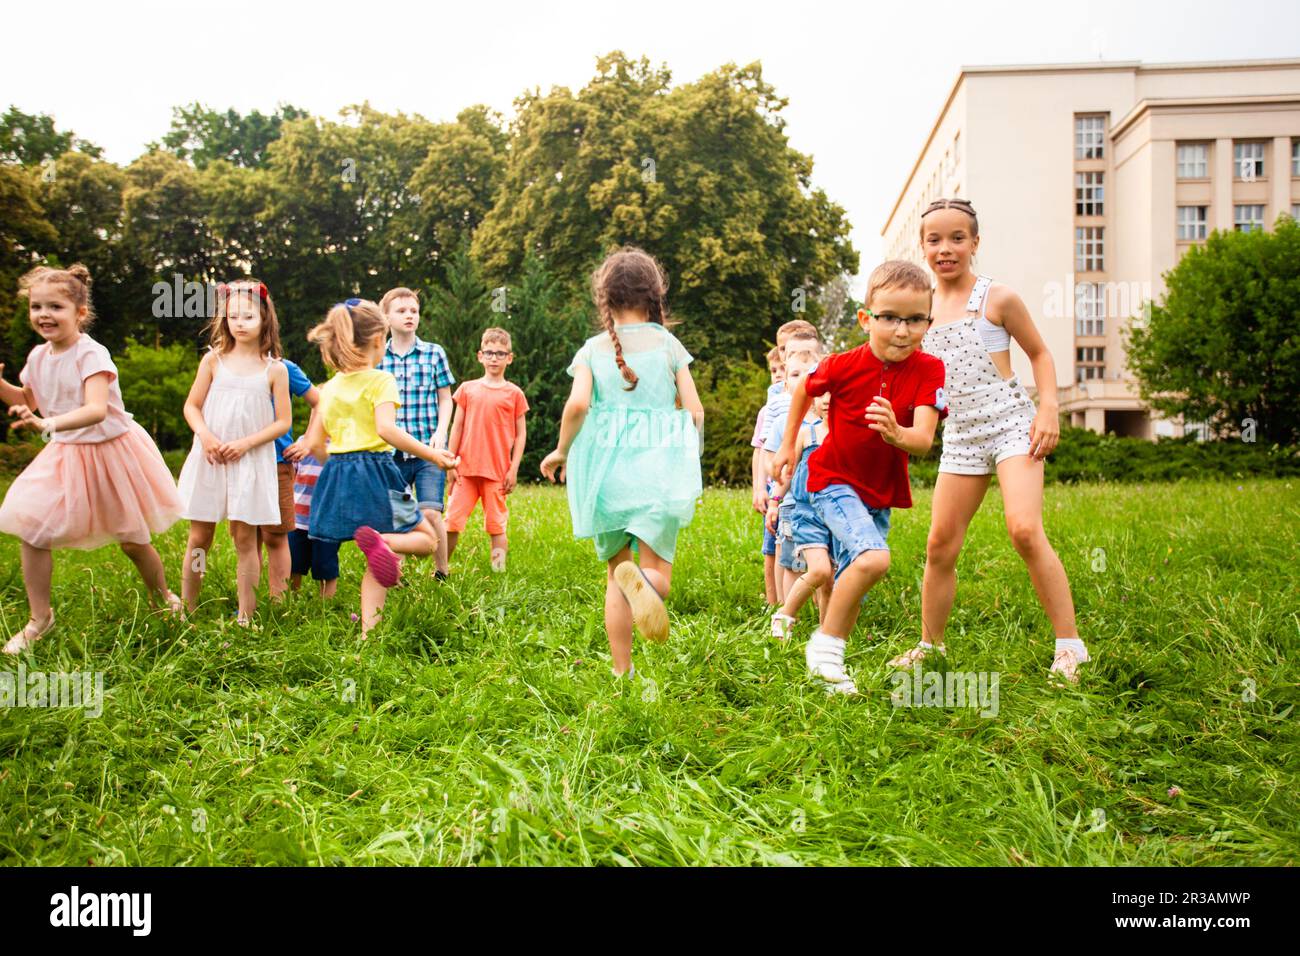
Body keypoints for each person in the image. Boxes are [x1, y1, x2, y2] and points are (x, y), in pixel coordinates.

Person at [900, 197, 1088, 683]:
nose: (946, 249)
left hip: (1010, 424)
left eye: (957, 238)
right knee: (940, 544)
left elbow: (1041, 354)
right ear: (923, 247)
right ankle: (930, 646)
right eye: (935, 240)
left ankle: (1070, 648)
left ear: (975, 243)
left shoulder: (996, 297)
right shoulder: (919, 310)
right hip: (961, 434)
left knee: (1024, 530)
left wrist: (1048, 408)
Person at [772, 261, 947, 695]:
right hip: (831, 480)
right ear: (866, 318)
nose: (901, 330)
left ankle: (831, 666)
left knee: (854, 578)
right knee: (875, 558)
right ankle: (825, 651)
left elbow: (923, 441)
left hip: (878, 494)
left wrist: (895, 432)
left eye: (914, 320)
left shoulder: (930, 370)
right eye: (889, 318)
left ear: (929, 320)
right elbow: (803, 389)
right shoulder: (844, 365)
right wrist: (789, 443)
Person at [0, 264, 184, 653]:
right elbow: (27, 399)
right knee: (31, 528)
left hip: (112, 452)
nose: (44, 315)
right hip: (66, 453)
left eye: (55, 307)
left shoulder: (91, 353)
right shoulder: (37, 355)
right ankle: (39, 619)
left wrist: (45, 423)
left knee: (133, 542)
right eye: (36, 307)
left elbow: (96, 409)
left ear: (79, 313)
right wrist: (3, 389)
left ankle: (163, 599)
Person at [541, 247, 703, 678]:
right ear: (654, 294)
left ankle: (622, 672)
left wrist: (561, 450)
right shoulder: (669, 344)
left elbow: (576, 407)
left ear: (605, 298)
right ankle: (648, 586)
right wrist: (690, 455)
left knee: (617, 574)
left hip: (606, 475)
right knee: (655, 573)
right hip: (656, 470)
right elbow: (695, 411)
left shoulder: (593, 349)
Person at [302, 298, 458, 635]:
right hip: (380, 474)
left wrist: (338, 471)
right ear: (377, 341)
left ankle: (370, 634)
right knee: (426, 540)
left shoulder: (328, 389)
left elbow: (314, 443)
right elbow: (387, 429)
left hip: (338, 476)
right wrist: (432, 455)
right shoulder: (381, 380)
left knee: (377, 559)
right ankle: (383, 540)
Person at [176, 279, 291, 625]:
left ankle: (246, 615)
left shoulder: (275, 369)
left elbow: (283, 422)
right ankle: (188, 607)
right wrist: (207, 436)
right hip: (210, 458)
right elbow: (192, 406)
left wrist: (245, 444)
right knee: (200, 538)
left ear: (264, 320)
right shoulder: (213, 361)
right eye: (233, 316)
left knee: (246, 538)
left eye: (248, 316)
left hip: (250, 460)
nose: (240, 322)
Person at [379, 287, 455, 579]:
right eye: (401, 311)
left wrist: (441, 432)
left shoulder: (434, 353)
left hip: (427, 450)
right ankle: (394, 575)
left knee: (431, 512)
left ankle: (442, 572)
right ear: (386, 317)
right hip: (390, 453)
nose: (409, 315)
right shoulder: (377, 357)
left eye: (413, 310)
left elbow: (445, 397)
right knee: (396, 515)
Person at [444, 328, 528, 572]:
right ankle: (442, 569)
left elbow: (521, 434)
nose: (494, 358)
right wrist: (450, 462)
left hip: (497, 473)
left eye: (500, 354)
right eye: (489, 353)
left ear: (509, 358)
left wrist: (513, 469)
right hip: (465, 470)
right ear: (480, 356)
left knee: (496, 526)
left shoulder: (514, 394)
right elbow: (456, 427)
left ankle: (498, 570)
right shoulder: (467, 389)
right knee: (451, 522)